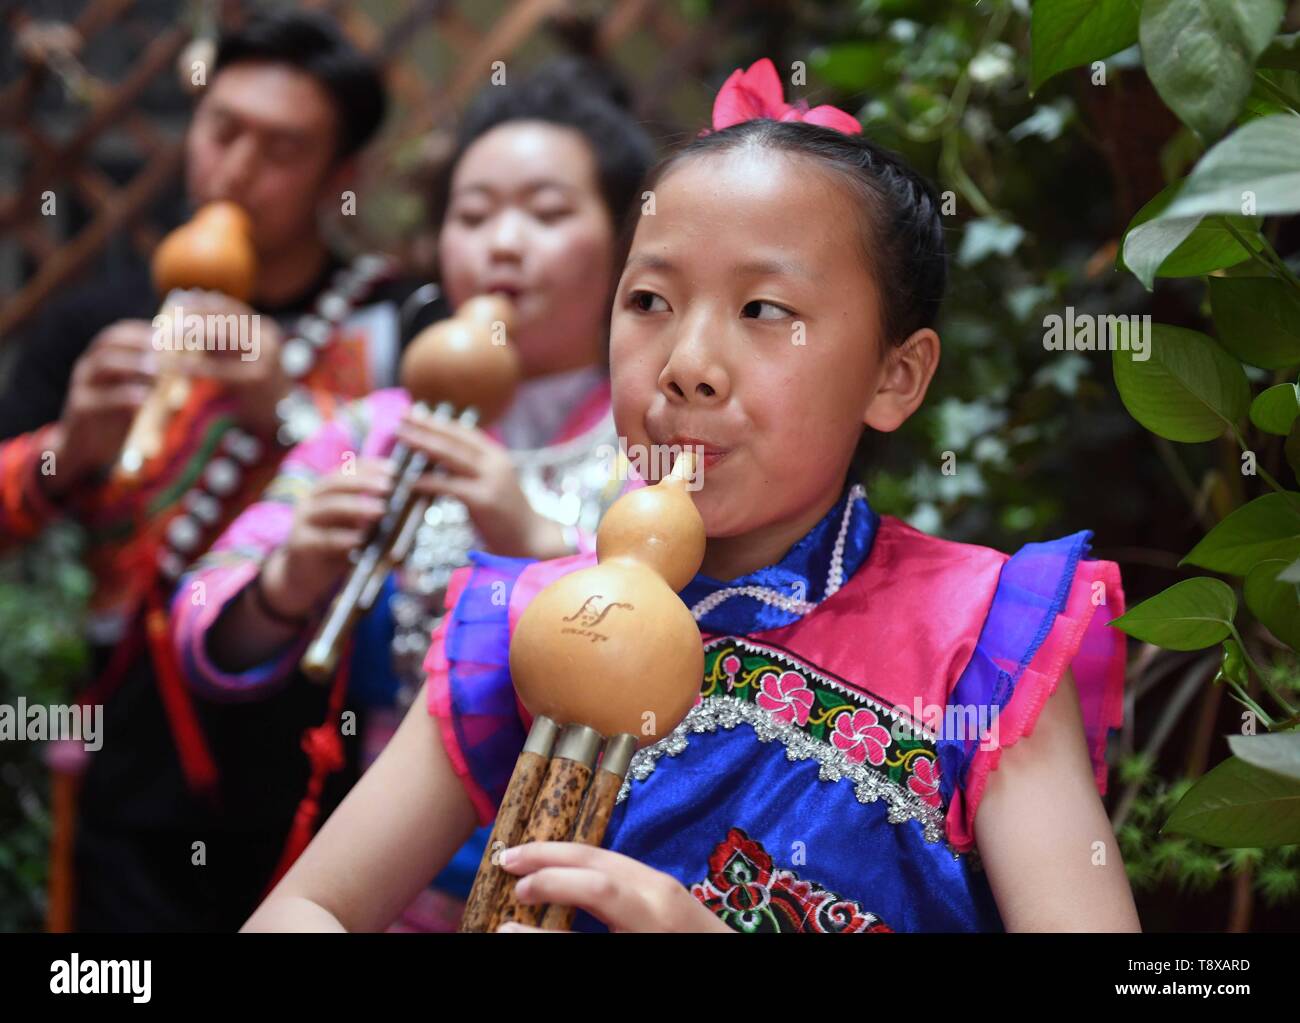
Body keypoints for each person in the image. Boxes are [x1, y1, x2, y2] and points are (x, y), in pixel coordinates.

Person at [242, 58, 1141, 933]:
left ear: (895, 375)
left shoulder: (978, 639)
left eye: (763, 311)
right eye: (649, 301)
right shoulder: (533, 620)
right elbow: (305, 904)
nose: (685, 368)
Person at [172, 58, 656, 930]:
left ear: (623, 245)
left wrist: (537, 548)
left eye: (546, 213)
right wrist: (287, 577)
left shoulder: (655, 441)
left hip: (599, 865)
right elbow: (202, 607)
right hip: (389, 876)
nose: (503, 244)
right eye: (473, 216)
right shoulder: (373, 430)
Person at [0, 8, 441, 931]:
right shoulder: (101, 319)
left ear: (342, 175)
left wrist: (289, 411)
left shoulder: (395, 323)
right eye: (221, 129)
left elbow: (432, 512)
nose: (235, 170)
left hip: (329, 739)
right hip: (130, 737)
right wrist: (69, 447)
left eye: (280, 149)